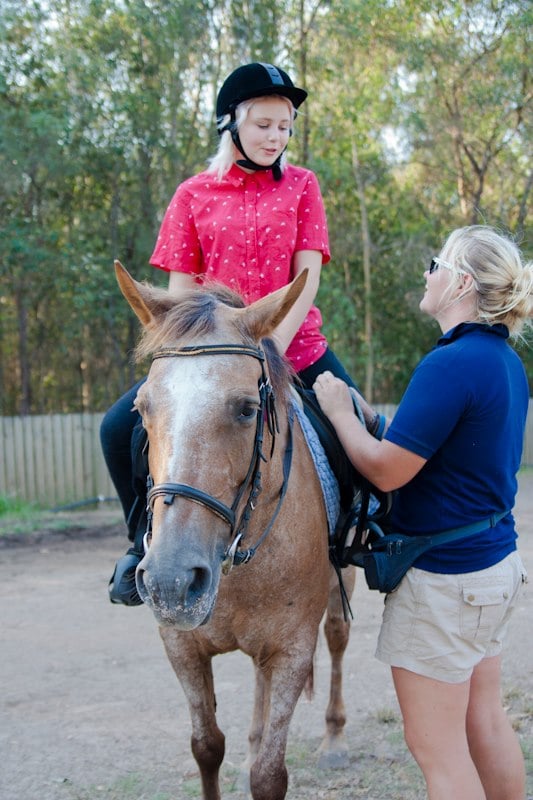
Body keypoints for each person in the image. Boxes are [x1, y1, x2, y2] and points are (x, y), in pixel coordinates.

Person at [101, 62, 359, 606]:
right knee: (113, 430)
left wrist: (270, 353)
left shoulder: (304, 186)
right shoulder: (192, 194)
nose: (276, 137)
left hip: (294, 345)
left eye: (285, 127)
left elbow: (305, 280)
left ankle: (361, 540)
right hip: (212, 354)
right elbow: (178, 299)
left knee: (358, 426)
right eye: (265, 124)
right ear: (232, 125)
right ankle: (138, 544)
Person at [313, 225, 531, 800]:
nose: (426, 273)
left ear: (461, 281)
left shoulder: (451, 364)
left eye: (436, 263)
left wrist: (337, 410)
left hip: (446, 585)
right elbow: (442, 454)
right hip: (491, 570)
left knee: (436, 749)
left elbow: (386, 471)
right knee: (484, 719)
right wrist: (374, 422)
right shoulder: (502, 361)